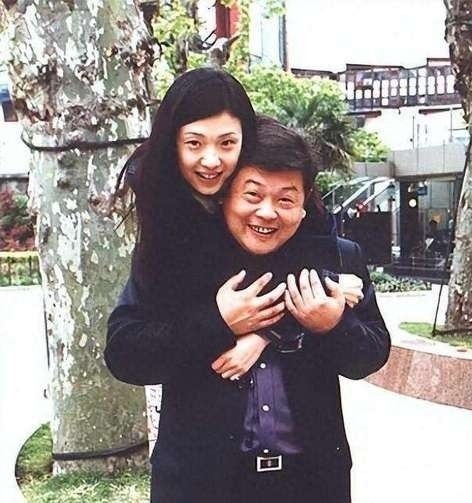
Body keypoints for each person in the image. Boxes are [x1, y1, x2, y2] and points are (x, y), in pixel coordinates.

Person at [106, 113, 390, 502]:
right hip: (201, 486)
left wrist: (332, 324)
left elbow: (370, 356)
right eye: (252, 195)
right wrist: (219, 323)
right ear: (225, 194)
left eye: (285, 199)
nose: (267, 213)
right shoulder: (177, 259)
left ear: (304, 204)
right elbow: (125, 355)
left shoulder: (339, 258)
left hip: (309, 483)